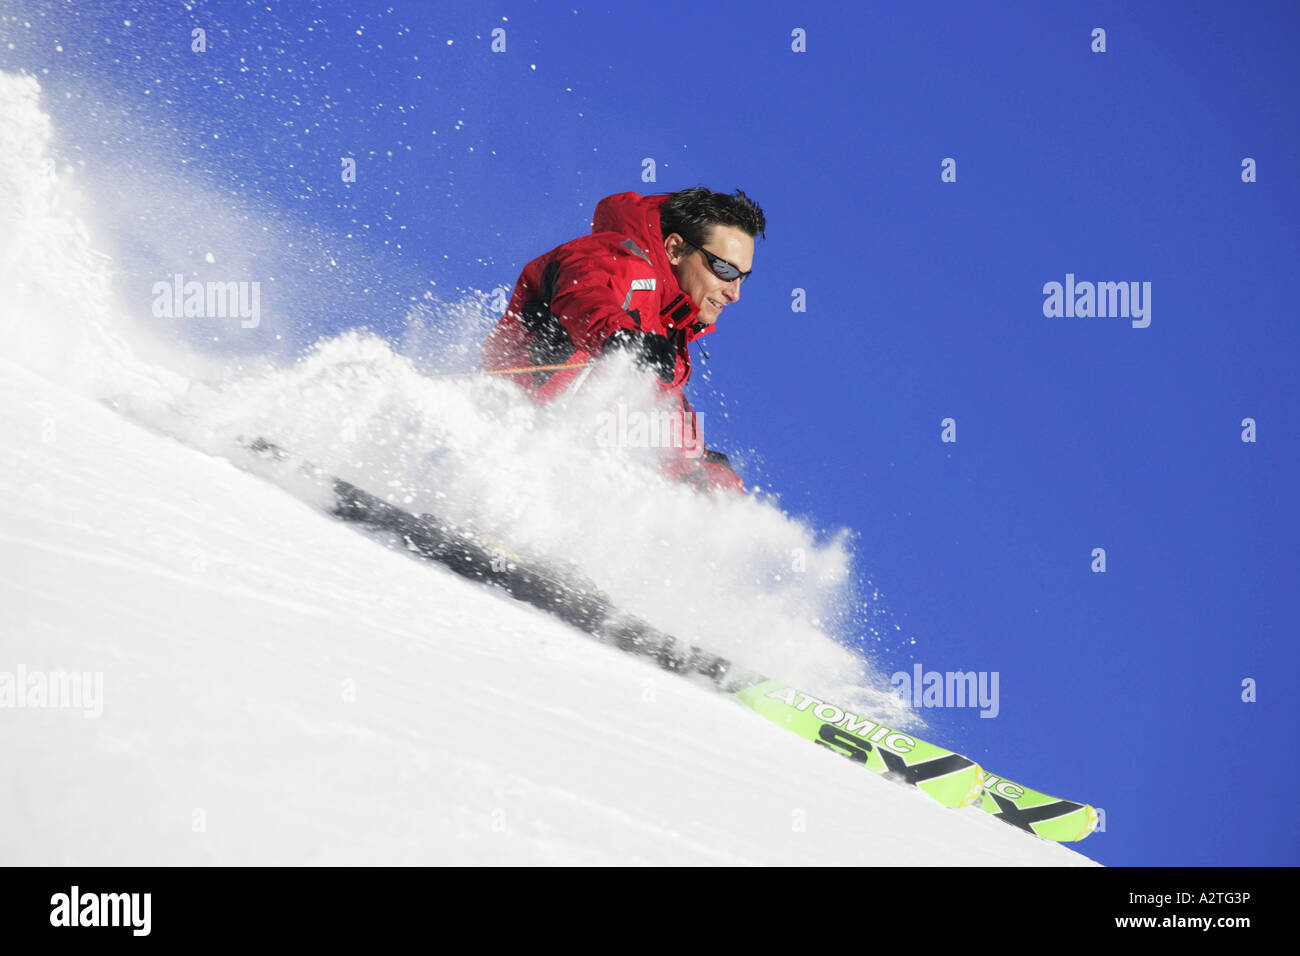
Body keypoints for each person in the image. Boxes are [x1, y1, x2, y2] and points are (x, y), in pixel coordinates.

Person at [479, 186, 765, 494]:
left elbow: (664, 413)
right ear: (676, 250)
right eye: (724, 269)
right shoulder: (620, 258)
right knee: (619, 366)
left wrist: (707, 475)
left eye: (742, 277)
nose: (734, 293)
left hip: (562, 474)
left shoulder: (664, 330)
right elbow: (586, 291)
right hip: (506, 429)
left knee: (691, 466)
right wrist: (618, 337)